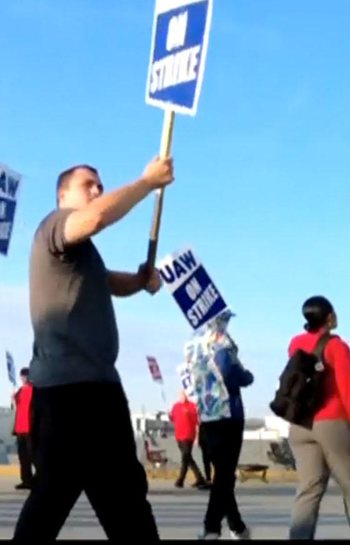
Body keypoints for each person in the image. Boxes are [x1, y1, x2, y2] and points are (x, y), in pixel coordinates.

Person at [13, 160, 171, 541]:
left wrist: (139, 280)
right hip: (69, 393)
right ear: (63, 194)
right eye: (89, 185)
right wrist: (147, 181)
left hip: (97, 388)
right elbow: (97, 218)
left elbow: (107, 282)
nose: (97, 191)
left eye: (101, 185)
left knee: (122, 501)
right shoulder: (54, 226)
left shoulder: (82, 256)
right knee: (57, 495)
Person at [286, 296, 350, 540]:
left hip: (300, 424)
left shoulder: (295, 343)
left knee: (308, 490)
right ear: (329, 317)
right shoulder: (337, 346)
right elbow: (349, 390)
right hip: (332, 423)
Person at [186, 321, 253, 539]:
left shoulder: (194, 347)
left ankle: (237, 525)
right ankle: (212, 527)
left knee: (222, 475)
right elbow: (230, 373)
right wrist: (246, 375)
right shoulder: (223, 345)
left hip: (207, 415)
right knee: (225, 476)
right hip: (228, 414)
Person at [169, 390, 207, 490]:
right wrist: (169, 414)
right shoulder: (176, 406)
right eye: (181, 394)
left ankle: (180, 480)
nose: (183, 396)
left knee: (186, 456)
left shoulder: (192, 406)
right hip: (179, 435)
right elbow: (173, 418)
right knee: (187, 457)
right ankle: (200, 478)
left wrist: (197, 437)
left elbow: (197, 422)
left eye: (184, 394)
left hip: (189, 435)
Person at [12, 367, 35, 490]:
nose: (24, 377)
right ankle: (26, 480)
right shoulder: (20, 390)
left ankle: (40, 480)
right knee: (23, 457)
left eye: (26, 375)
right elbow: (16, 407)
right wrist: (13, 398)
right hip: (20, 428)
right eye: (22, 375)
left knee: (34, 456)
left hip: (31, 428)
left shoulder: (35, 390)